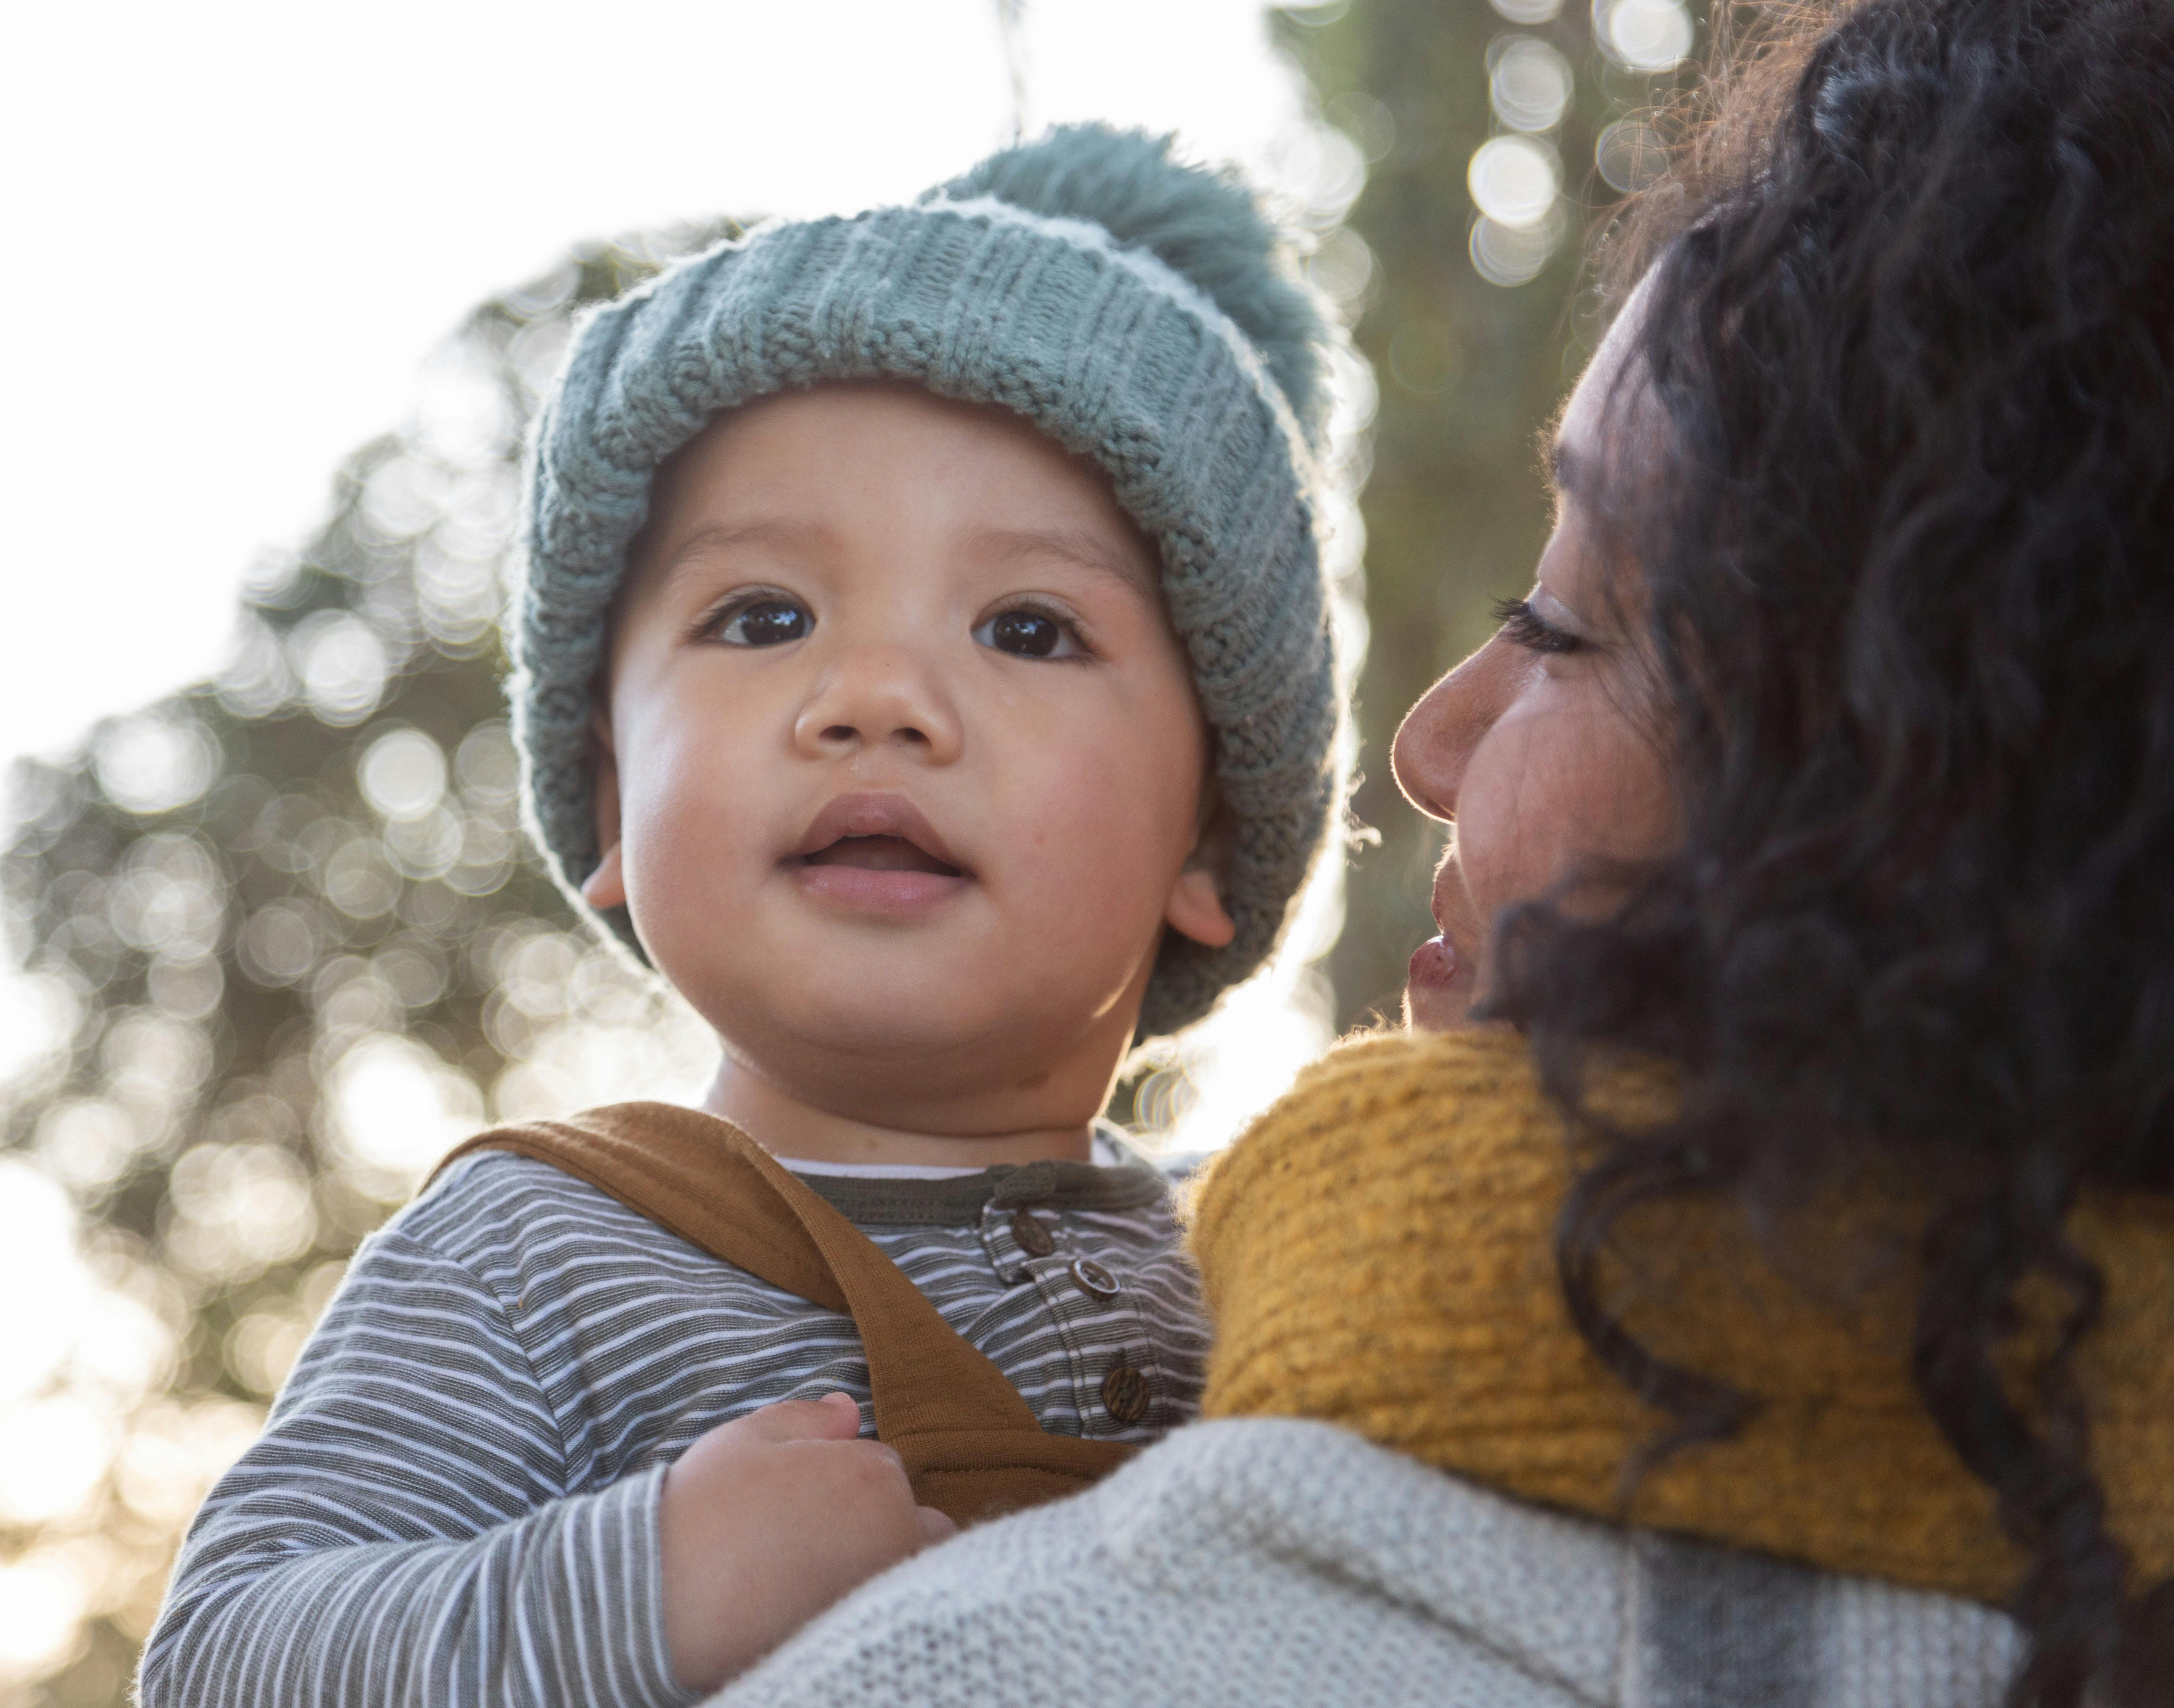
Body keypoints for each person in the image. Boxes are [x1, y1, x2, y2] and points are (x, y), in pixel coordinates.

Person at [707, 3, 2174, 1705]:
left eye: (1562, 622)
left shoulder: (1004, 1665)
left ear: (1923, 786)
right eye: (758, 618)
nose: (1424, 746)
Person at [135, 127, 1353, 1707]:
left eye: (1029, 627)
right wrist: (644, 1587)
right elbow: (223, 1666)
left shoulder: (1279, 1262)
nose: (878, 699)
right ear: (612, 801)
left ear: (1212, 833)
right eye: (763, 616)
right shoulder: (537, 1256)